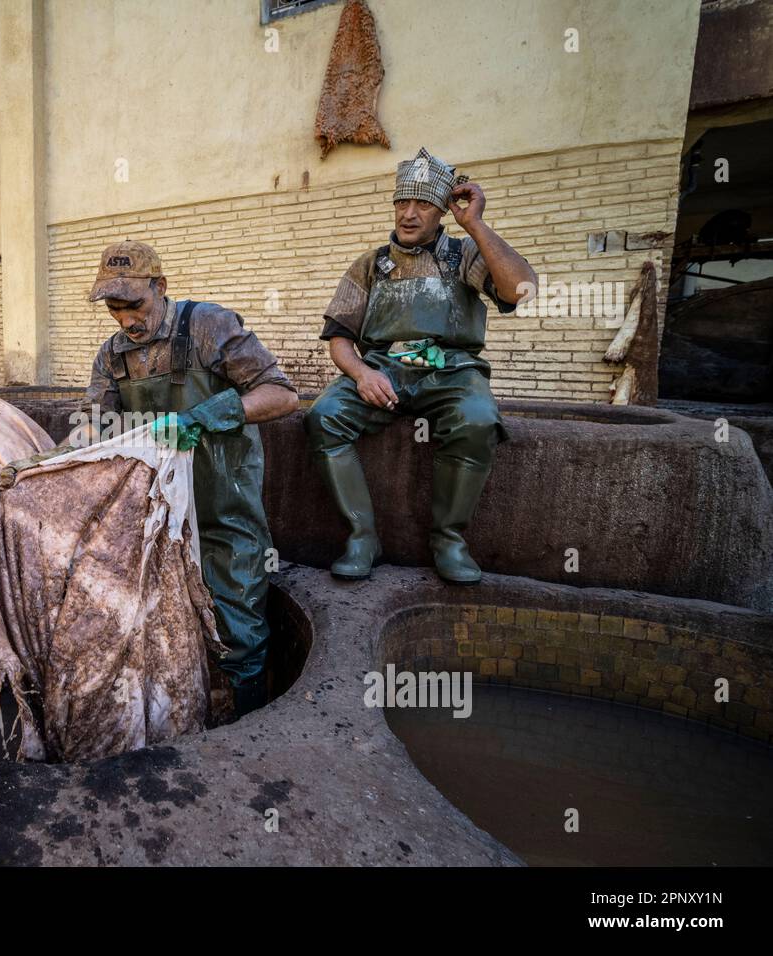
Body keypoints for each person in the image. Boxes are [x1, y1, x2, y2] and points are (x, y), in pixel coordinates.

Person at [75, 240, 298, 715]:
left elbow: (281, 395)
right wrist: (84, 442)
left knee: (238, 628)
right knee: (157, 628)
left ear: (161, 287)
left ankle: (250, 728)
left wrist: (204, 417)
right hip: (155, 519)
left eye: (134, 305)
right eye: (114, 310)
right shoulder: (111, 356)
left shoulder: (209, 326)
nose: (126, 321)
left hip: (222, 508)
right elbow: (93, 422)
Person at [305, 147, 536, 584]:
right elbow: (339, 338)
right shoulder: (371, 264)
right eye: (401, 203)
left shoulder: (462, 254)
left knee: (478, 420)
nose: (409, 214)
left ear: (443, 210)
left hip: (451, 370)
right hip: (382, 368)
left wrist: (476, 225)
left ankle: (449, 539)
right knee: (324, 417)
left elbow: (520, 290)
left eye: (424, 204)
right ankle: (362, 536)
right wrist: (361, 373)